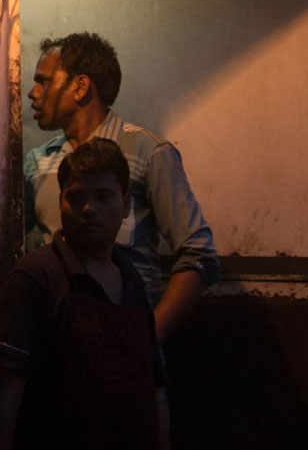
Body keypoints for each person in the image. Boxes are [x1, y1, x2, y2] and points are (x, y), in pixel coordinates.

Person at [0, 138, 177, 450]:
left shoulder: (133, 284)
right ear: (61, 202)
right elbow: (5, 396)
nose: (88, 209)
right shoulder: (33, 280)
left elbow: (154, 389)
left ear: (126, 204)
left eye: (103, 198)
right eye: (76, 197)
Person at [22, 33, 217, 340]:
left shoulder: (147, 152)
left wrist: (148, 337)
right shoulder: (37, 162)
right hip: (57, 344)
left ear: (80, 86)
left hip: (126, 340)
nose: (32, 93)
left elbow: (200, 255)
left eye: (43, 81)